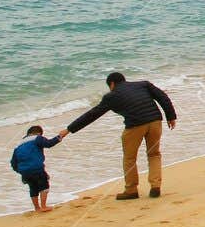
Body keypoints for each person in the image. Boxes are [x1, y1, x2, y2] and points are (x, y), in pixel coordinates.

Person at [65, 72, 177, 200]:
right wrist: (171, 116)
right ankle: (155, 187)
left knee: (129, 158)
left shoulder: (111, 96)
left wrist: (69, 129)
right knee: (154, 154)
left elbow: (92, 114)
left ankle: (131, 190)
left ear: (111, 84)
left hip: (135, 125)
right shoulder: (143, 85)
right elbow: (163, 97)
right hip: (155, 121)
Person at [11, 125, 64, 213]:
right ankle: (43, 206)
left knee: (33, 187)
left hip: (24, 171)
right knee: (44, 186)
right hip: (36, 168)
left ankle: (37, 208)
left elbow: (13, 163)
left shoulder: (18, 146)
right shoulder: (37, 138)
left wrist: (21, 171)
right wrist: (60, 137)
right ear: (39, 133)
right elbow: (49, 144)